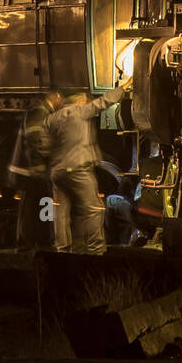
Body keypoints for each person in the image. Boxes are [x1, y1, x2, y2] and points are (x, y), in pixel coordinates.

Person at [44, 78, 133, 254]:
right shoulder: (80, 111)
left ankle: (62, 250)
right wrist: (124, 86)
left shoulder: (51, 119)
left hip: (57, 172)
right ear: (79, 100)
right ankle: (96, 249)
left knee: (60, 213)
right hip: (78, 170)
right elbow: (104, 102)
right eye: (85, 99)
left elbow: (45, 146)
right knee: (94, 209)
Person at [8, 95, 59, 252]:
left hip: (34, 173)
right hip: (33, 174)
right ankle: (36, 242)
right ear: (54, 96)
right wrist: (39, 167)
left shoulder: (42, 113)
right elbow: (35, 141)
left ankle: (37, 240)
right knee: (37, 206)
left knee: (36, 206)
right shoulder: (39, 113)